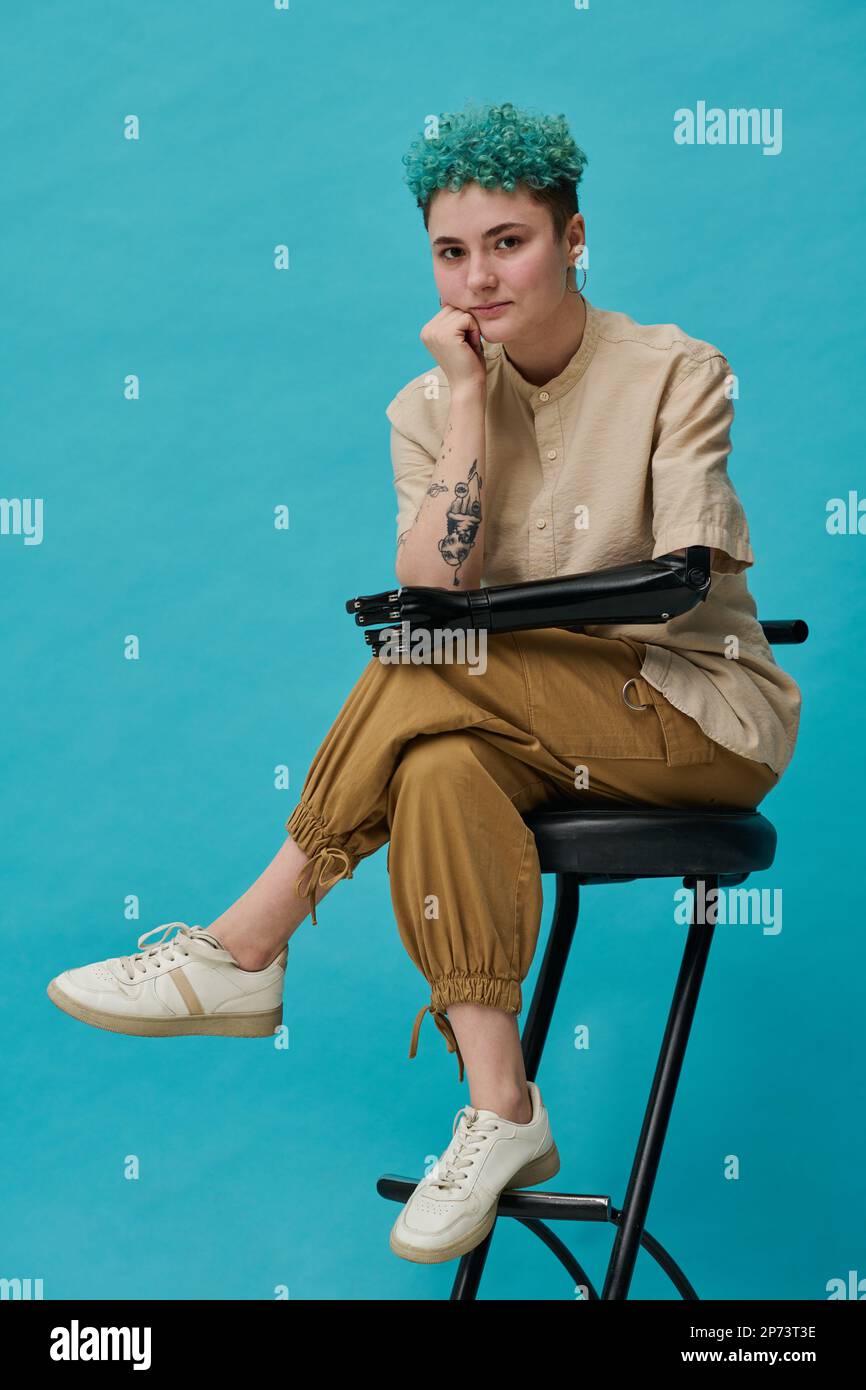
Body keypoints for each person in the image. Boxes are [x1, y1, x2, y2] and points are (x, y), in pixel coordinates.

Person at [45, 100, 802, 1266]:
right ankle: (501, 1105)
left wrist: (469, 627)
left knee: (429, 659)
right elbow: (431, 579)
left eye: (509, 242)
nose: (479, 276)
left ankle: (247, 944)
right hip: (511, 720)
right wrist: (463, 400)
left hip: (690, 711)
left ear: (574, 236)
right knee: (440, 754)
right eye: (452, 252)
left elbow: (673, 581)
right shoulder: (423, 406)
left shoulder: (674, 369)